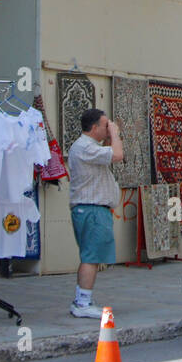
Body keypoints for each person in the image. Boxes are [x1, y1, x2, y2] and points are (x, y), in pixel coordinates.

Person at [68, 108, 123, 318]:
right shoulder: (84, 147)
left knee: (92, 256)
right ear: (94, 127)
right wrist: (115, 134)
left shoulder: (90, 148)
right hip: (91, 209)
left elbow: (110, 155)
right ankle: (82, 303)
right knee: (90, 257)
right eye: (104, 125)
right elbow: (117, 155)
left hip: (94, 209)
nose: (107, 128)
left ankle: (83, 299)